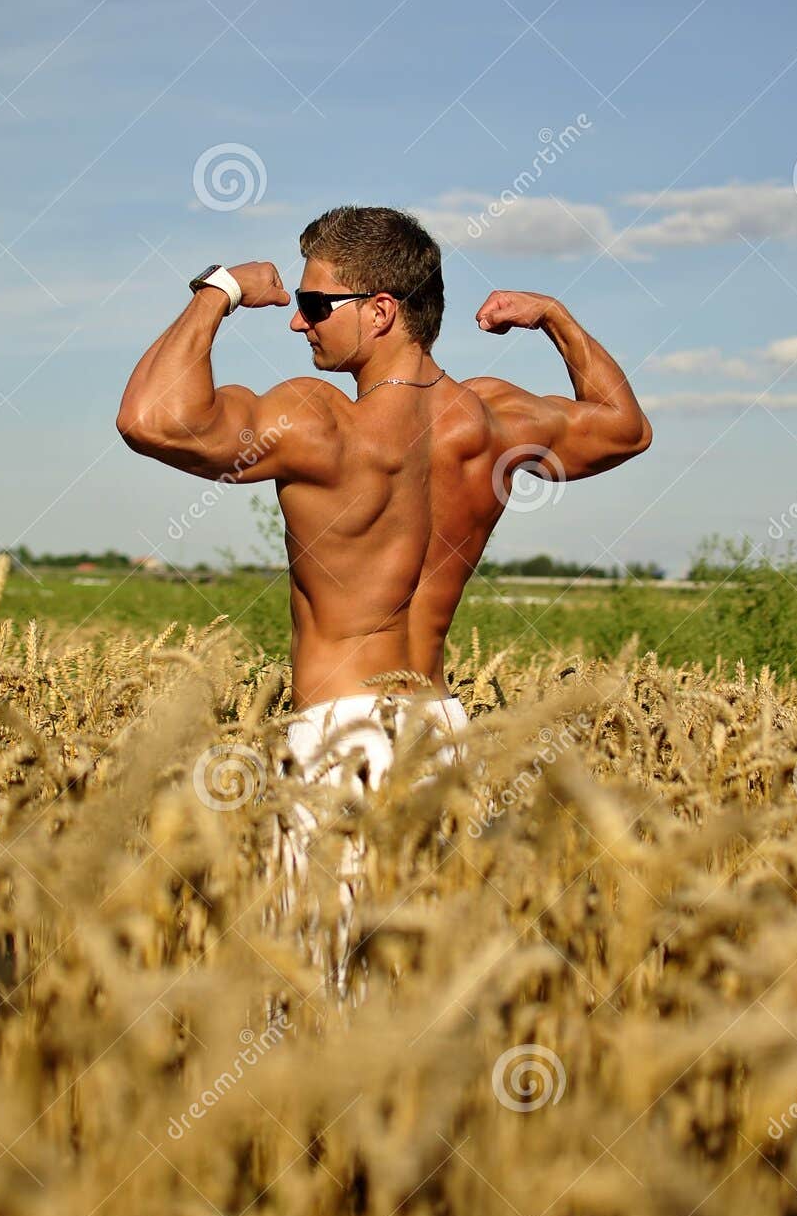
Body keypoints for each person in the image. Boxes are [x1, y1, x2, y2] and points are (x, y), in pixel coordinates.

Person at [117, 206, 652, 989]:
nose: (299, 323)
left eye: (313, 304)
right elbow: (622, 428)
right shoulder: (494, 420)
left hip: (340, 741)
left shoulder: (316, 420)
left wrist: (221, 290)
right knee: (420, 1001)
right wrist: (556, 321)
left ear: (379, 312)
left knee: (308, 1002)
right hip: (442, 736)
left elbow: (152, 418)